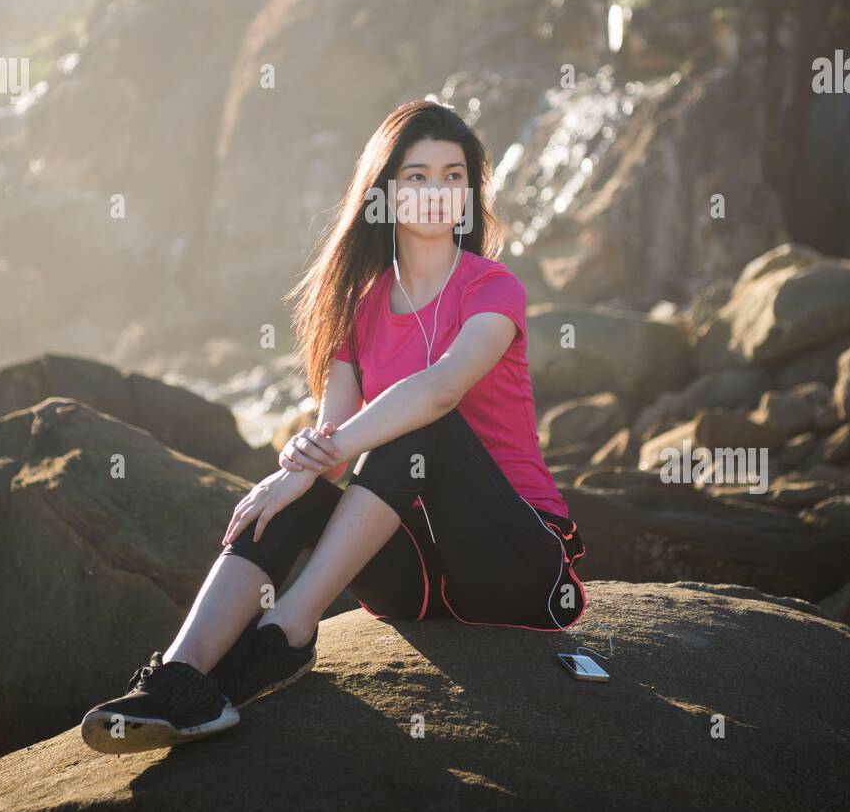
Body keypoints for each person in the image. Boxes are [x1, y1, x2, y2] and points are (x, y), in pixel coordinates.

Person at [80, 99, 587, 755]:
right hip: (417, 587)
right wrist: (294, 474)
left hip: (518, 567)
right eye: (417, 176)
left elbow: (439, 390)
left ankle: (285, 633)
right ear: (384, 190)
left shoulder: (491, 288)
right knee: (284, 502)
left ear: (469, 191)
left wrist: (319, 458)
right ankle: (181, 681)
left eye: (452, 176)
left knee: (415, 422)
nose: (437, 193)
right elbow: (335, 427)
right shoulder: (357, 307)